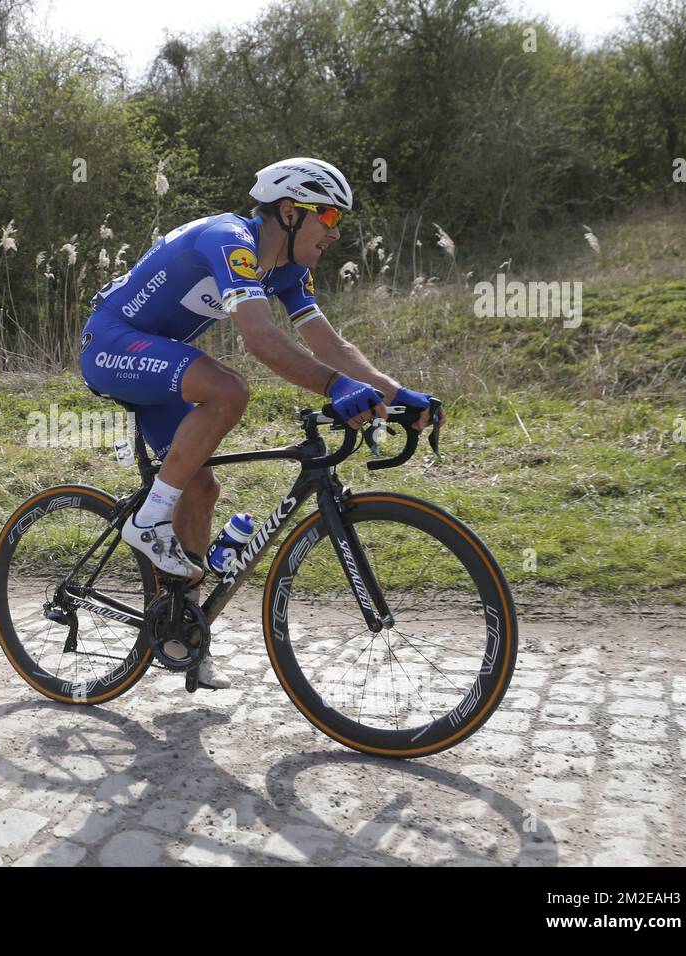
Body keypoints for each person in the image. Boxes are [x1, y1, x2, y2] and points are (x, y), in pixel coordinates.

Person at [80, 157, 444, 689]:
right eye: (330, 218)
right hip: (111, 344)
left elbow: (329, 345)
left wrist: (400, 396)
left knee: (201, 488)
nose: (335, 233)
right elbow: (258, 338)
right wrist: (335, 388)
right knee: (228, 387)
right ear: (292, 211)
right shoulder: (230, 238)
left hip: (157, 360)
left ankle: (183, 634)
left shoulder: (287, 270)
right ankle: (147, 522)